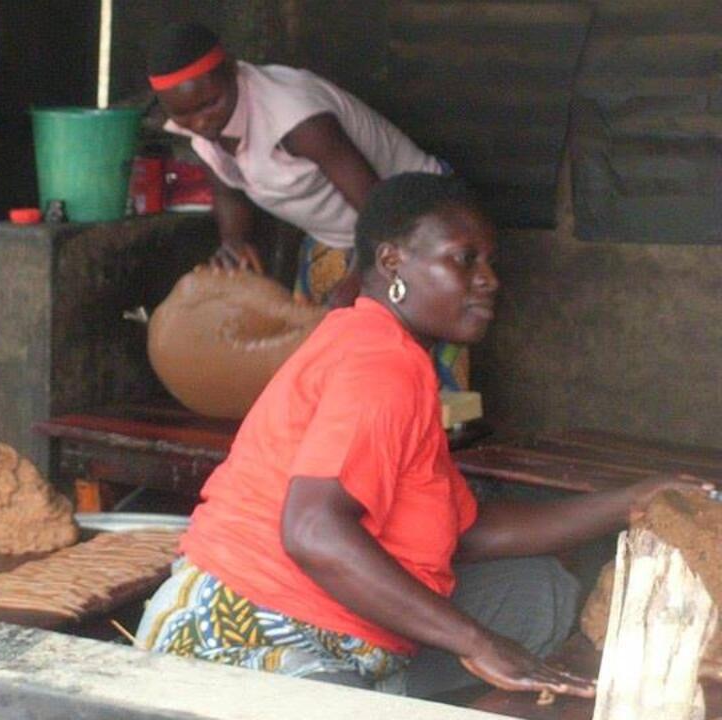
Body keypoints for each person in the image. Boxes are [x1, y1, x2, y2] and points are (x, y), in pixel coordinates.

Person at [134, 173, 708, 700]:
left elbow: (464, 532)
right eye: (464, 259)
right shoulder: (379, 362)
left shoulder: (392, 354)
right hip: (246, 630)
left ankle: (378, 687)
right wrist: (476, 642)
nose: (488, 279)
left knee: (538, 594)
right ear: (392, 262)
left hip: (347, 629)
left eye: (489, 261)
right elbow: (311, 530)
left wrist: (630, 503)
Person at [147, 22, 468, 390]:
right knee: (320, 358)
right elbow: (226, 187)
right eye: (184, 115)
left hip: (414, 222)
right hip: (341, 234)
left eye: (209, 104)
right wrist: (234, 240)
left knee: (407, 361)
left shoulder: (296, 118)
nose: (200, 122)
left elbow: (377, 204)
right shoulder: (201, 124)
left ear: (233, 69)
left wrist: (360, 277)